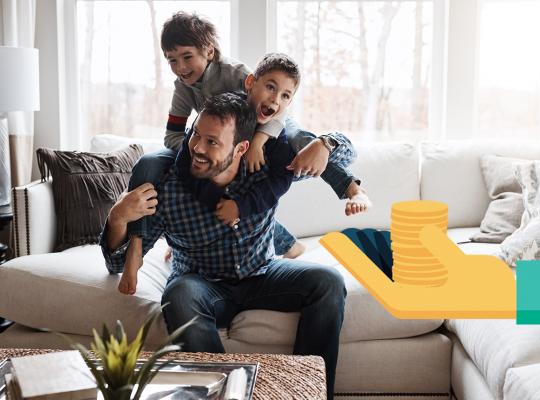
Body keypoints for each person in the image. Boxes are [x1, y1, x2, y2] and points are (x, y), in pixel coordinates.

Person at [101, 92, 346, 400]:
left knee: (329, 282)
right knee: (179, 294)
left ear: (241, 147)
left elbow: (346, 160)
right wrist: (117, 218)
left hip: (263, 273)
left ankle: (307, 394)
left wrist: (326, 144)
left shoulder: (265, 169)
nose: (197, 149)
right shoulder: (169, 188)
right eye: (195, 136)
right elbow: (117, 265)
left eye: (212, 142)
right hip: (202, 285)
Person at [122, 12, 371, 291]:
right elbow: (172, 135)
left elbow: (272, 106)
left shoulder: (237, 75)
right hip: (216, 147)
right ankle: (136, 244)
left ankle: (351, 189)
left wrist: (260, 141)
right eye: (172, 60)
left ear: (209, 51)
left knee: (301, 143)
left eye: (187, 57)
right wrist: (200, 150)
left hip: (268, 128)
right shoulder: (183, 88)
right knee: (149, 162)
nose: (180, 66)